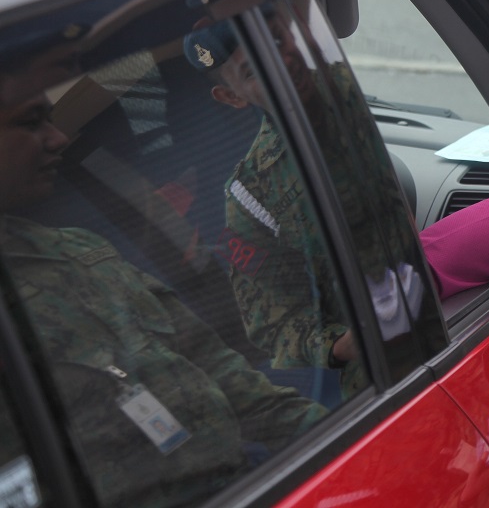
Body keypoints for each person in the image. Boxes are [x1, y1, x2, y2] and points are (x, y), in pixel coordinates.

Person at [186, 0, 489, 391]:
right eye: (252, 71)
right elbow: (274, 327)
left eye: (277, 40)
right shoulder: (250, 194)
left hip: (423, 310)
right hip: (382, 373)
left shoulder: (337, 90)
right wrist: (342, 344)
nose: (281, 64)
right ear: (230, 96)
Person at [0, 49, 327, 508]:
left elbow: (228, 378)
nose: (58, 138)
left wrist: (339, 440)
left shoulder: (77, 250)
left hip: (251, 477)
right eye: (30, 122)